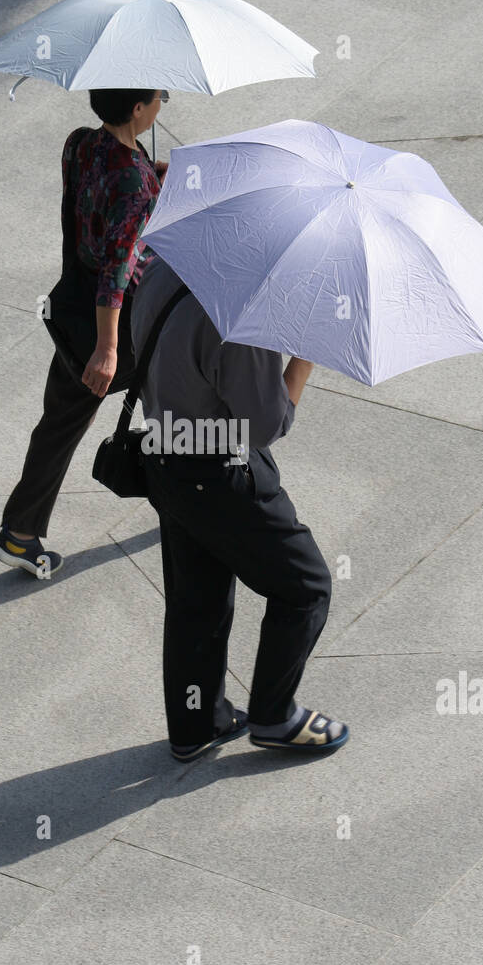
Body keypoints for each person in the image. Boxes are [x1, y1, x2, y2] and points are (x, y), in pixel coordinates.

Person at [131, 254, 349, 761]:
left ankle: (196, 725)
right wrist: (306, 354)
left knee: (196, 601)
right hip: (220, 472)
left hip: (164, 455)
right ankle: (275, 717)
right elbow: (266, 424)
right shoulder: (239, 321)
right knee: (305, 586)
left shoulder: (163, 262)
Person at [0, 89, 168, 577]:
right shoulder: (134, 184)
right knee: (180, 399)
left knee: (59, 423)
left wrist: (154, 175)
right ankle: (193, 501)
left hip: (71, 303)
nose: (163, 105)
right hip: (125, 322)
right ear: (137, 109)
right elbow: (117, 268)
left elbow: (98, 196)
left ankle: (20, 533)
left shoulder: (79, 143)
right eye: (160, 97)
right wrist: (108, 350)